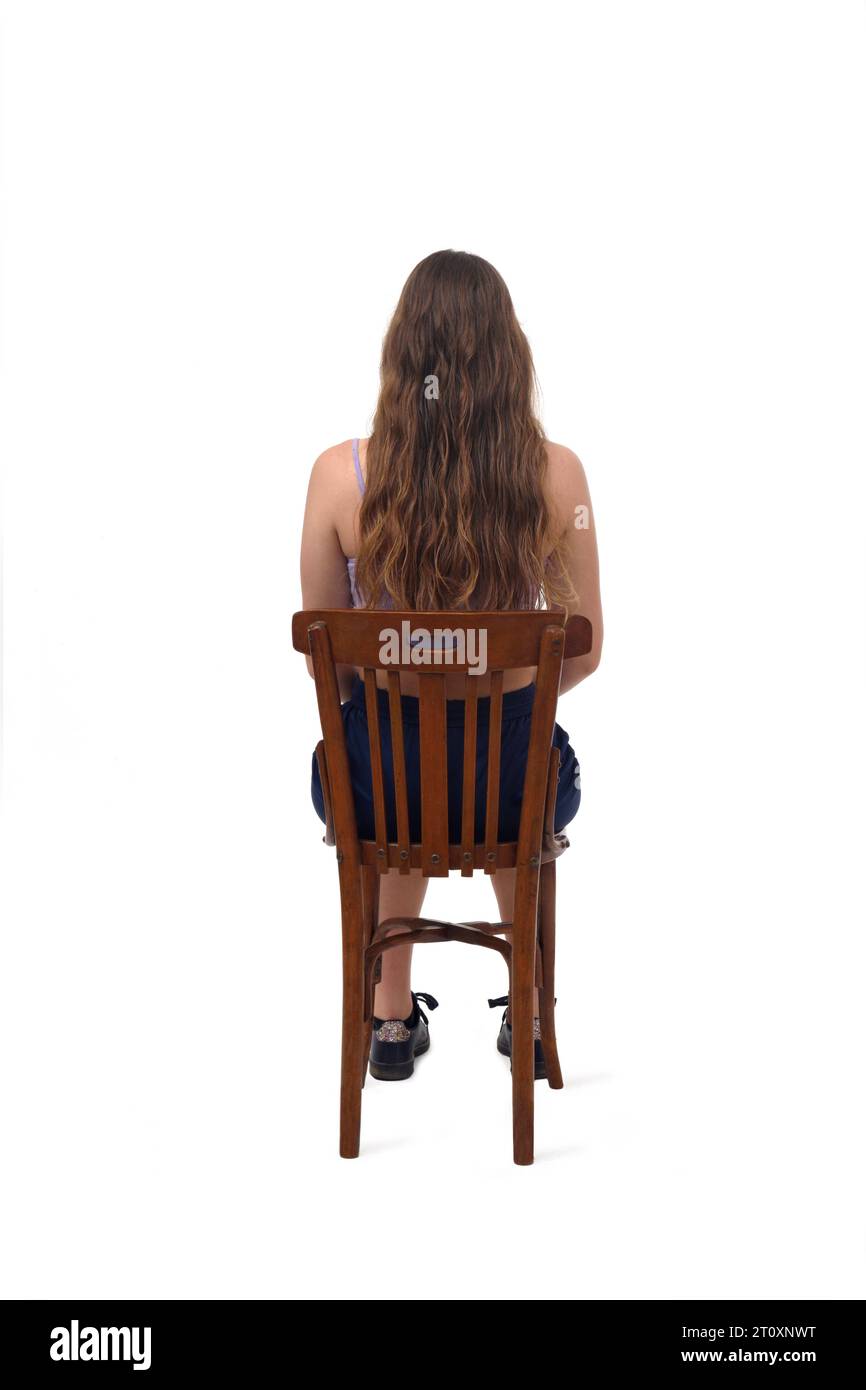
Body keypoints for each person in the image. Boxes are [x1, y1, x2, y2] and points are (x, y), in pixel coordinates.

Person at [300, 250, 603, 1081]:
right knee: (515, 773)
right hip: (515, 785)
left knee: (393, 768)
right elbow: (587, 646)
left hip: (377, 791)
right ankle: (532, 1016)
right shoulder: (557, 477)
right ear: (509, 355)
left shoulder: (339, 479)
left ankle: (390, 1023)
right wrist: (502, 697)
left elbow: (332, 670)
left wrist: (415, 700)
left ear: (403, 354)